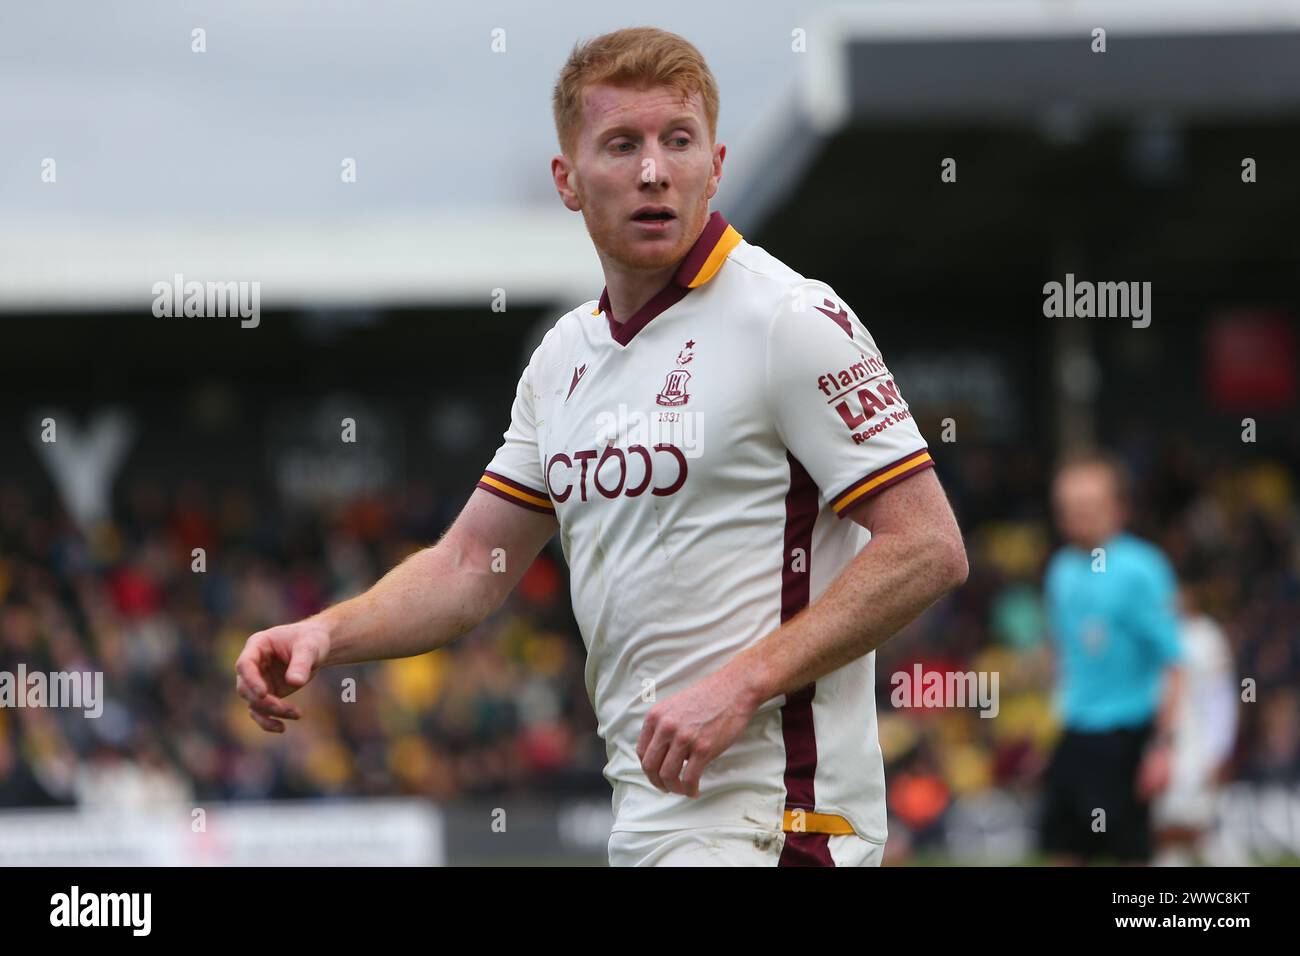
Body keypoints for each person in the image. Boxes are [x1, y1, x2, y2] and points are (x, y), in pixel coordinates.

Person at [235, 26, 967, 867]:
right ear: (569, 181)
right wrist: (328, 632)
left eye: (678, 142)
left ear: (715, 166)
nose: (654, 171)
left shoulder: (790, 321)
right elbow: (473, 564)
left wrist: (743, 682)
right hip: (652, 822)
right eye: (622, 145)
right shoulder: (561, 359)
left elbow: (928, 547)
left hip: (780, 824)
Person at [1040, 451, 1184, 864]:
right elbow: (1062, 650)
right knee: (1063, 850)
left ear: (1118, 509)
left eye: (1088, 506)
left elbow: (1174, 664)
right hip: (1075, 730)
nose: (1075, 516)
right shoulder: (1060, 570)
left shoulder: (1143, 569)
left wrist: (1163, 746)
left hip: (1127, 736)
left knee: (1130, 855)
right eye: (1067, 508)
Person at [1152, 579, 1238, 865]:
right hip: (1164, 743)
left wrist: (1218, 748)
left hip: (1196, 743)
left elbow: (1221, 699)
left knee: (1194, 826)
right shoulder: (1158, 635)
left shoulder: (1206, 635)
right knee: (1165, 827)